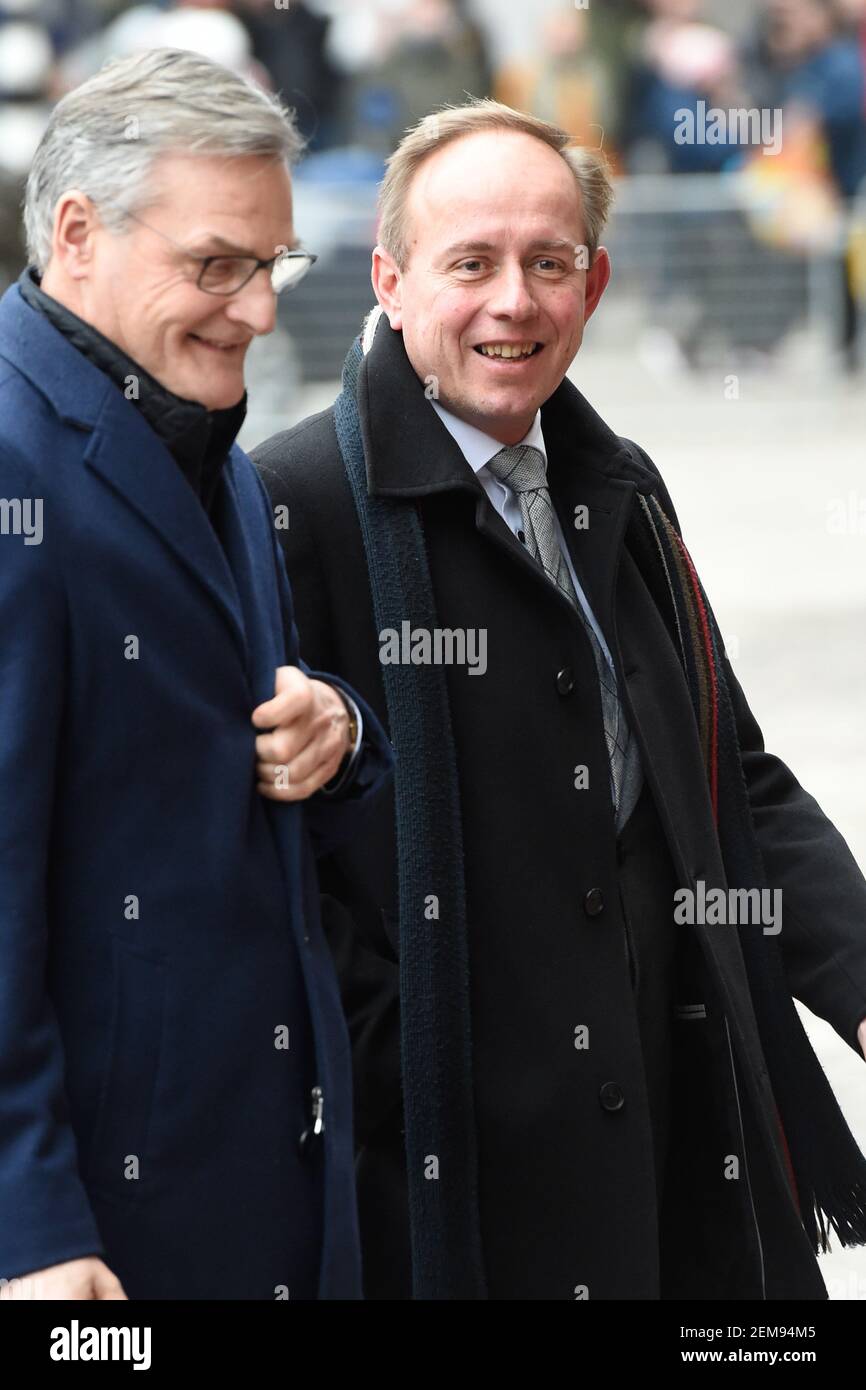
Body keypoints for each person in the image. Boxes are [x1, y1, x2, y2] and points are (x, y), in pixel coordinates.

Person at [253, 99, 866, 1300]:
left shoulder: (617, 482)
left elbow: (724, 772)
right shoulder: (293, 502)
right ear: (389, 277)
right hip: (456, 1194)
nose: (513, 302)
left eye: (548, 264)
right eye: (469, 263)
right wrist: (406, 1064)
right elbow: (265, 876)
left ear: (591, 288)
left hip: (683, 1138)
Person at [0, 47, 392, 1301]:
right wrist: (29, 1223)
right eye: (214, 265)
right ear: (76, 233)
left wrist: (339, 728)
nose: (259, 310)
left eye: (268, 267)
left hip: (252, 1192)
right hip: (98, 1241)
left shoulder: (191, 421)